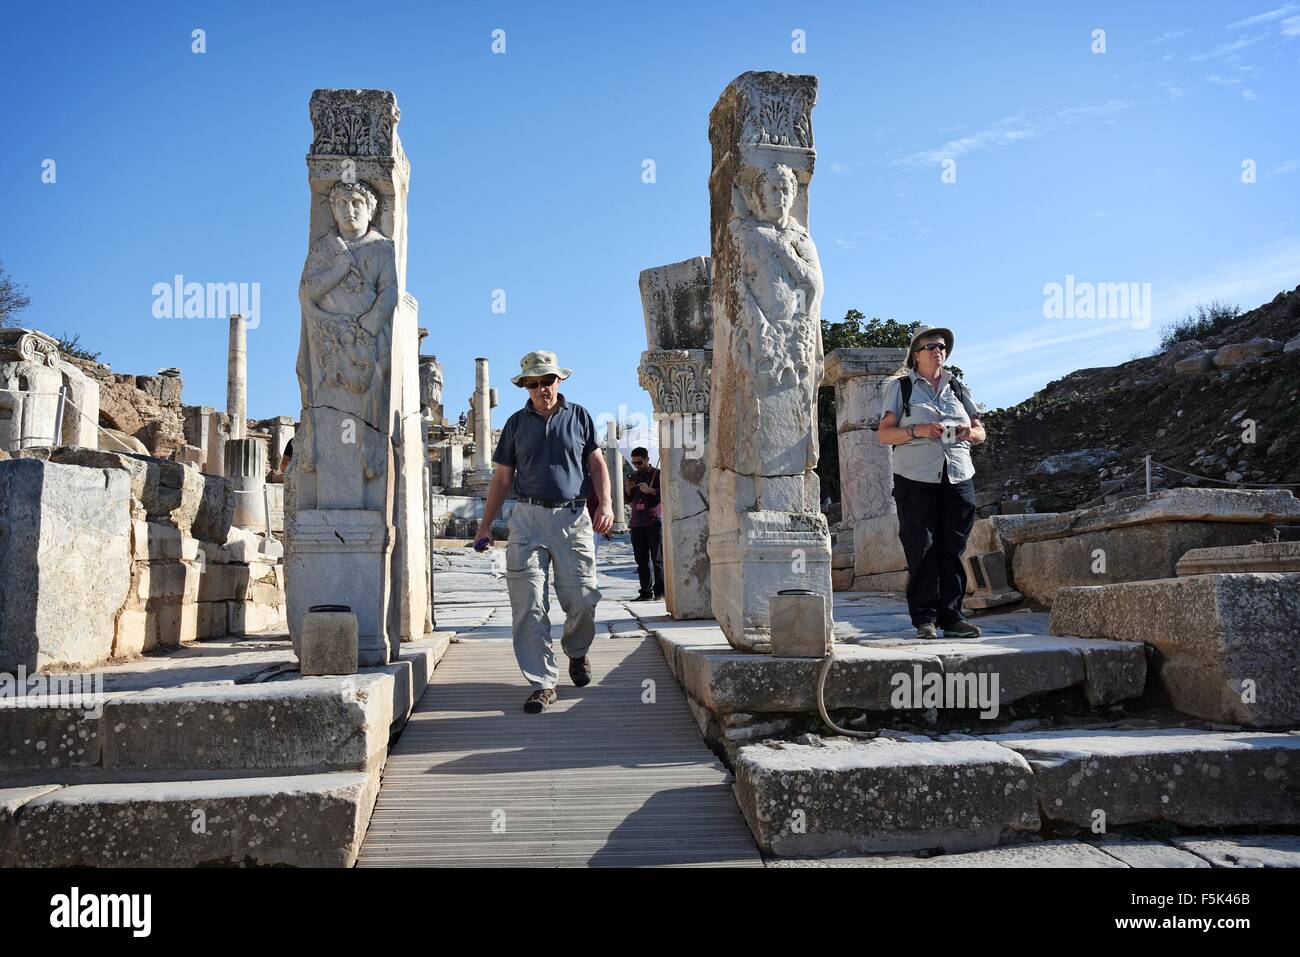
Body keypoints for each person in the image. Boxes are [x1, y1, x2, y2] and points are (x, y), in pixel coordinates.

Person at [473, 350, 614, 713]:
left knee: (582, 597)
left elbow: (597, 464)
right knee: (529, 602)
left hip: (573, 517)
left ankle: (577, 650)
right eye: (532, 384)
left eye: (546, 381)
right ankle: (542, 682)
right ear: (525, 386)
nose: (541, 389)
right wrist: (486, 525)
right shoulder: (515, 424)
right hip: (528, 519)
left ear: (558, 381)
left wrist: (608, 505)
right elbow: (502, 478)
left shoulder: (579, 416)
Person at [876, 325, 987, 640]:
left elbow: (980, 430)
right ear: (916, 354)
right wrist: (918, 431)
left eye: (941, 345)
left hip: (958, 474)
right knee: (921, 547)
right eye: (930, 346)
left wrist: (969, 433)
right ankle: (925, 618)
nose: (938, 349)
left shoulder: (959, 388)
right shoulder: (900, 388)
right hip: (916, 477)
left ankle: (952, 617)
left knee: (953, 547)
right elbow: (885, 434)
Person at [625, 447, 663, 600]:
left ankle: (660, 592)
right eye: (634, 463)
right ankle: (645, 592)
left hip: (653, 521)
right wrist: (627, 490)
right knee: (641, 561)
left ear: (647, 459)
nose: (637, 466)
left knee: (657, 559)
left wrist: (651, 491)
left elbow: (666, 494)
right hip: (636, 523)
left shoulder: (658, 474)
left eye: (639, 463)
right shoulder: (633, 477)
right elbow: (628, 500)